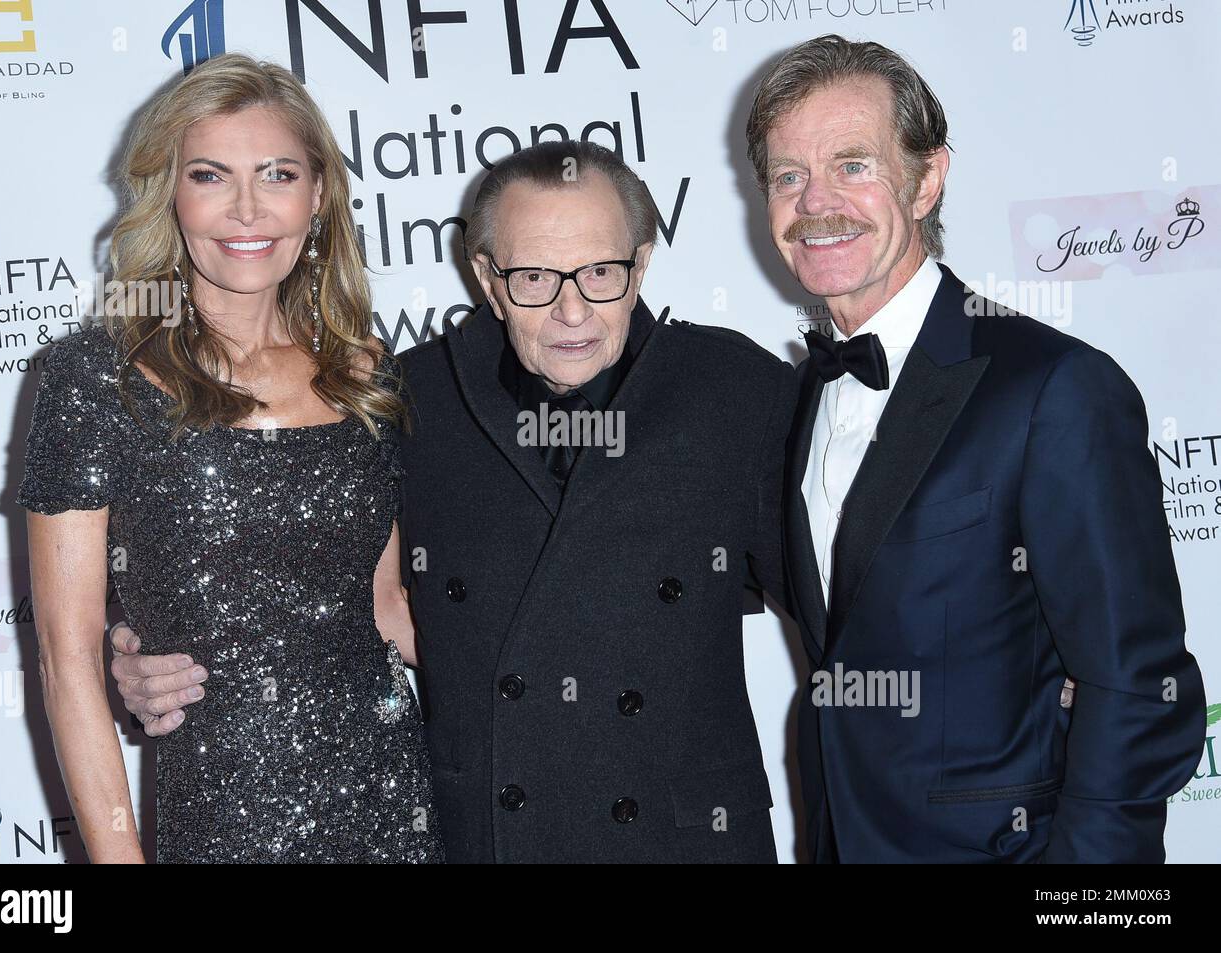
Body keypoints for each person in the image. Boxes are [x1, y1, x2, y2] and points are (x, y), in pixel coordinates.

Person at [111, 140, 796, 863]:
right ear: (488, 277)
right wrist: (145, 642)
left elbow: (842, 606)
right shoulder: (406, 400)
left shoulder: (733, 391)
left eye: (600, 272)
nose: (572, 311)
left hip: (685, 840)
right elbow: (309, 588)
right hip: (487, 836)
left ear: (643, 264)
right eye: (534, 277)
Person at [745, 34, 1206, 862]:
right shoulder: (804, 394)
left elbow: (1140, 689)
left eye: (854, 165)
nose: (816, 202)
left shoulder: (1055, 387)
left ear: (927, 180)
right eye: (789, 175)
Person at [17, 53, 443, 863]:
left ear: (318, 196)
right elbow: (66, 657)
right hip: (223, 817)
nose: (247, 210)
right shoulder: (96, 377)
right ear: (170, 195)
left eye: (278, 174)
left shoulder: (368, 373)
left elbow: (388, 607)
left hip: (392, 803)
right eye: (211, 175)